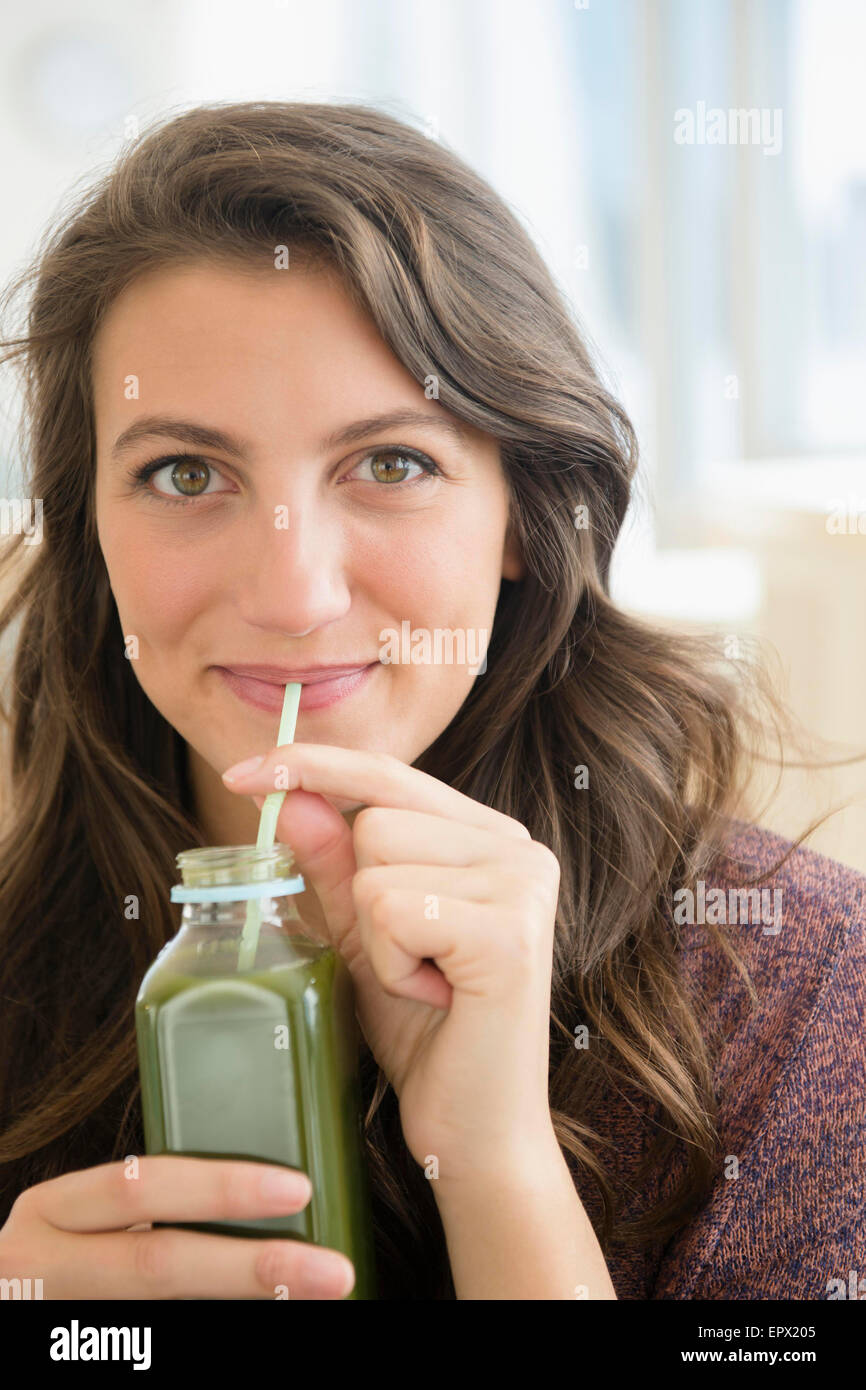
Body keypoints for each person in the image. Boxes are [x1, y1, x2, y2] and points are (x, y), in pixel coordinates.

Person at [0, 100, 862, 1301]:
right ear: (88, 527)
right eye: (184, 473)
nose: (293, 593)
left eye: (391, 464)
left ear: (522, 513)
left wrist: (499, 1168)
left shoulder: (803, 993)